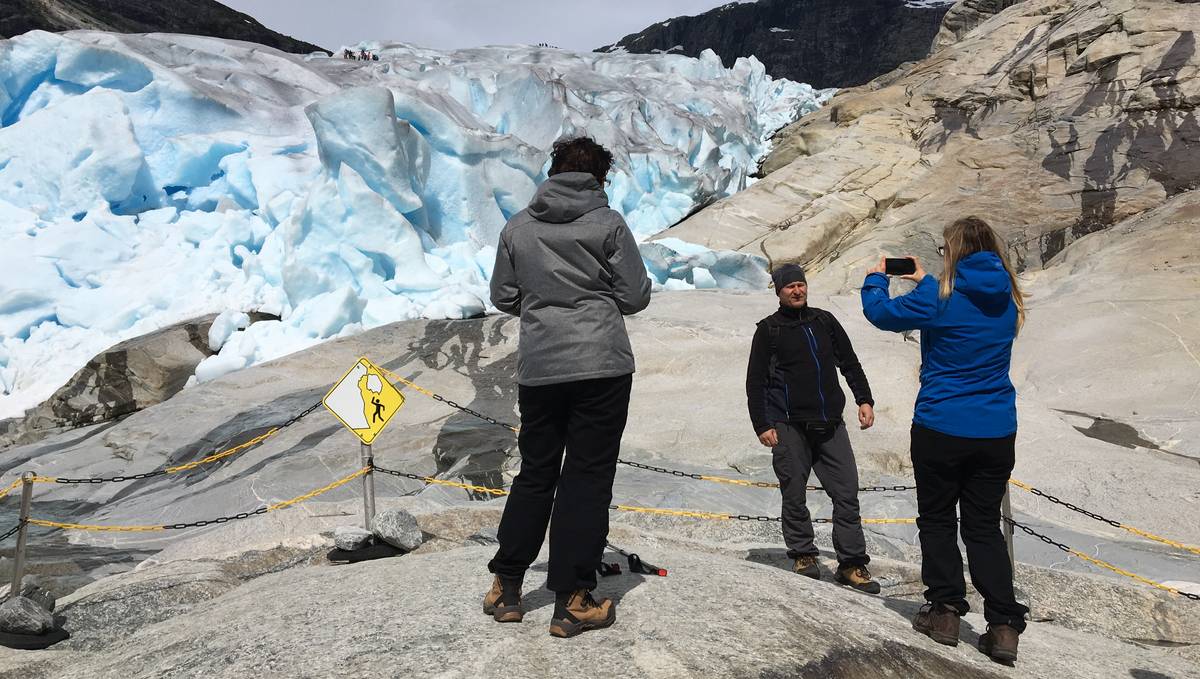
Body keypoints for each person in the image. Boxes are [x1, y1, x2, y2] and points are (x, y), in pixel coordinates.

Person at [484, 136, 652, 638]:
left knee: (535, 472)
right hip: (601, 365)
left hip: (540, 368)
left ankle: (507, 586)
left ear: (552, 171)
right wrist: (593, 307)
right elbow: (636, 295)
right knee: (587, 477)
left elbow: (502, 295)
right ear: (600, 177)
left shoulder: (518, 226)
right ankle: (573, 599)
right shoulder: (609, 223)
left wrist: (545, 311)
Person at [861, 216, 1030, 664]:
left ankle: (945, 610)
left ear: (953, 250)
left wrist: (876, 278)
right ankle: (1004, 625)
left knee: (937, 520)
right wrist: (926, 279)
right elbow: (965, 303)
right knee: (983, 527)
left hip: (942, 425)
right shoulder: (1009, 298)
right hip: (996, 430)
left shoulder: (939, 296)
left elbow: (880, 315)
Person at [745, 263, 881, 594]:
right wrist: (762, 424)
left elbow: (849, 362)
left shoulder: (824, 321)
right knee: (794, 492)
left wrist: (864, 399)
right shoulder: (769, 330)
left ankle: (851, 563)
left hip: (830, 423)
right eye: (789, 286)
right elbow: (756, 382)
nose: (797, 290)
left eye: (800, 285)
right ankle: (804, 554)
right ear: (778, 291)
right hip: (789, 424)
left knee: (846, 492)